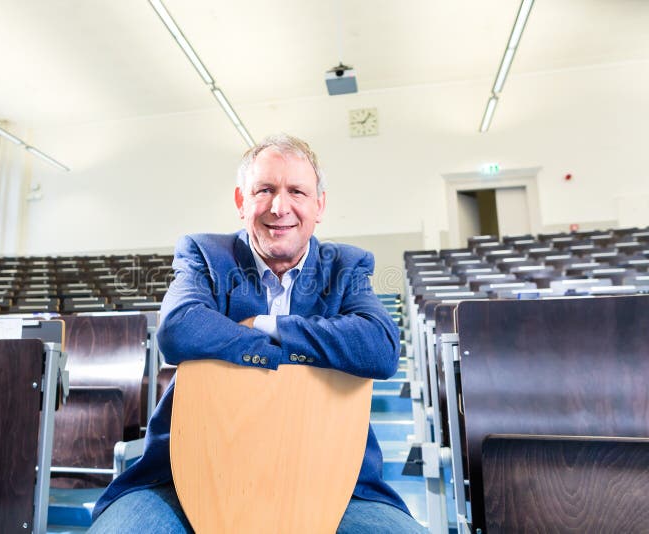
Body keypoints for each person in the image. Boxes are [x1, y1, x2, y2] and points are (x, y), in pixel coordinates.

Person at [89, 134, 426, 533]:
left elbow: (381, 348)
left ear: (319, 206)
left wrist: (266, 326)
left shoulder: (346, 267)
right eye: (264, 190)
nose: (279, 206)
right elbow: (180, 328)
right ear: (241, 202)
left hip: (336, 483)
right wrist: (298, 353)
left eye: (297, 191)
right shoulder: (204, 255)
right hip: (182, 478)